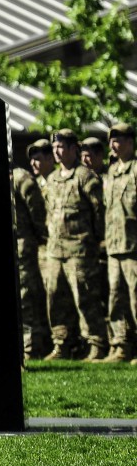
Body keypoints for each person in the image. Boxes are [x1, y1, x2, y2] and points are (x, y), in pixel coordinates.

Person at [42, 129, 107, 361]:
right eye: (55, 148)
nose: (57, 152)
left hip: (80, 250)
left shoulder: (85, 177)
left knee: (85, 298)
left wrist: (95, 239)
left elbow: (99, 212)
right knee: (55, 298)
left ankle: (96, 344)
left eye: (61, 147)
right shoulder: (52, 179)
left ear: (73, 149)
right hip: (55, 250)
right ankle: (62, 344)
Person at [104, 123, 137, 362]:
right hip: (115, 246)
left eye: (118, 139)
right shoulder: (112, 172)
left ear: (130, 142)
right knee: (115, 297)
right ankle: (120, 345)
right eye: (111, 140)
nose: (114, 144)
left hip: (134, 246)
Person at [12, 161, 51, 361]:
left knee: (27, 296)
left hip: (23, 246)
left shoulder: (20, 177)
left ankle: (31, 346)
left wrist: (39, 235)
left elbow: (37, 210)